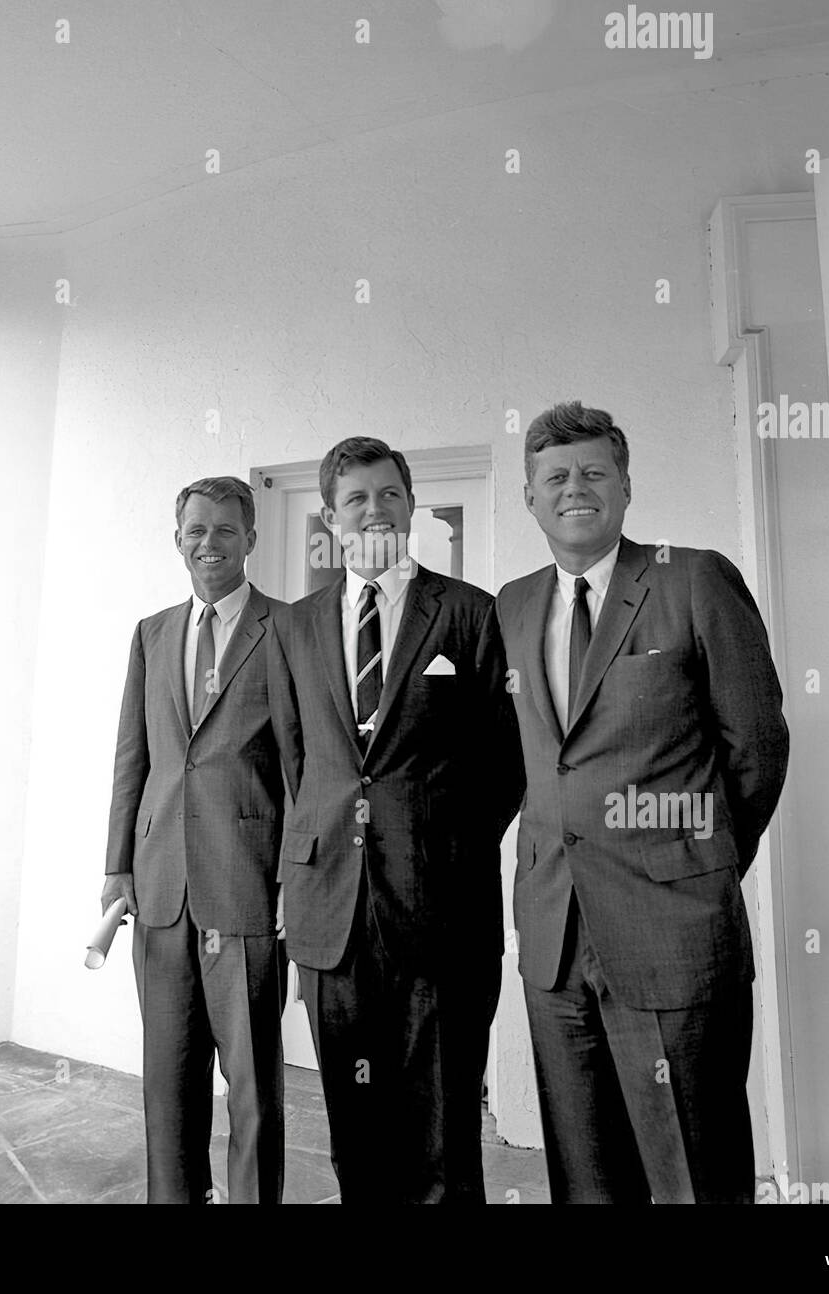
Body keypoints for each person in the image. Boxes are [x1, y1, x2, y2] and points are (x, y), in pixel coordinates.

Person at [496, 401, 789, 1204]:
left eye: (594, 472)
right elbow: (515, 764)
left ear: (625, 485)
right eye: (555, 477)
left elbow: (757, 747)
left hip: (674, 932)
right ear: (530, 498)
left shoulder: (690, 577)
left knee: (693, 1171)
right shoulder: (511, 606)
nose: (575, 488)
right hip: (554, 936)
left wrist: (696, 865)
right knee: (585, 1175)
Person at [265, 437, 523, 1203]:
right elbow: (295, 761)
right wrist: (295, 872)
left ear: (411, 504)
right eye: (355, 499)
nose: (373, 510)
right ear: (330, 516)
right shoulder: (295, 625)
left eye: (387, 494)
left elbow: (503, 762)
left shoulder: (472, 613)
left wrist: (443, 850)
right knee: (356, 1127)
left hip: (442, 911)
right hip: (330, 912)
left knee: (444, 1130)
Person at [102, 475, 288, 1204]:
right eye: (196, 530)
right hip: (160, 889)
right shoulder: (152, 634)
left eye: (224, 530)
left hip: (246, 883)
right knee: (168, 1081)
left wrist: (294, 879)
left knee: (254, 1087)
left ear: (251, 538)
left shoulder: (288, 628)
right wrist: (118, 867)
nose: (209, 543)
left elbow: (302, 761)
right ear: (178, 538)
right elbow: (132, 758)